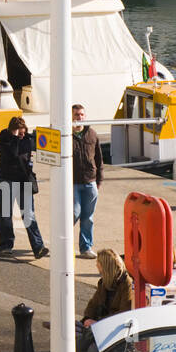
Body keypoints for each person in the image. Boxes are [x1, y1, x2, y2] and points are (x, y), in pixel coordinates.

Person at [0, 116, 47, 258]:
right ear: (12, 130)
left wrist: (23, 137)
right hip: (7, 181)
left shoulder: (27, 140)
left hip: (24, 182)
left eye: (24, 132)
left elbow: (32, 146)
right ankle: (6, 245)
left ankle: (38, 247)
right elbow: (12, 153)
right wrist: (15, 137)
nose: (22, 135)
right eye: (19, 132)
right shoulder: (4, 140)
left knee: (29, 214)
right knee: (6, 214)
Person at [72, 104, 102, 259]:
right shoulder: (66, 135)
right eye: (76, 115)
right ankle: (62, 241)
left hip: (90, 181)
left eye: (82, 114)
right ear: (71, 116)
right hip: (73, 183)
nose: (79, 117)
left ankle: (86, 248)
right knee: (74, 213)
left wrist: (99, 180)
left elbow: (99, 158)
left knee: (88, 218)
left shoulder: (92, 134)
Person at [81, 249, 133, 327]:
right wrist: (87, 318)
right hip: (102, 321)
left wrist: (99, 322)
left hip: (113, 325)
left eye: (98, 263)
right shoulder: (103, 282)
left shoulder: (126, 284)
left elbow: (124, 312)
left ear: (105, 266)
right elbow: (93, 303)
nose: (96, 265)